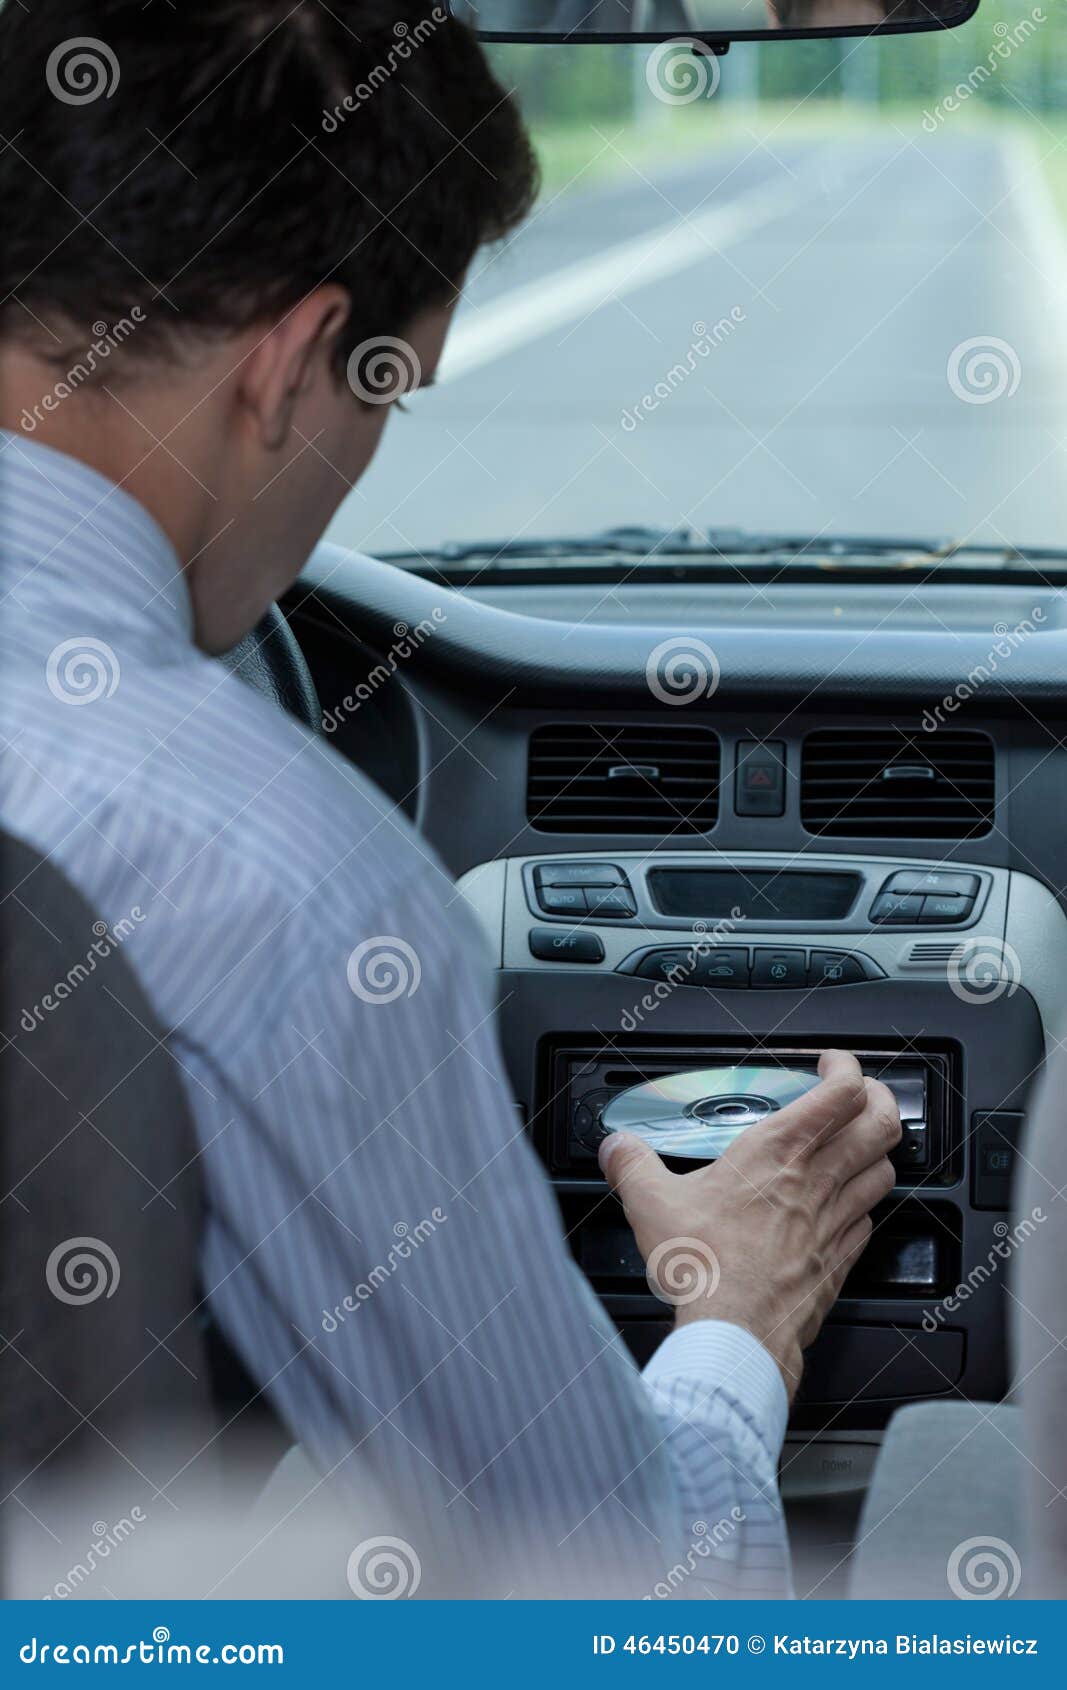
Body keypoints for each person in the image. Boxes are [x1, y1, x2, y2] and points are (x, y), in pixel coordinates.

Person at [0, 0, 899, 1597]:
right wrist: (736, 1322)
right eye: (388, 391)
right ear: (290, 365)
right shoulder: (277, 873)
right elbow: (600, 1592)